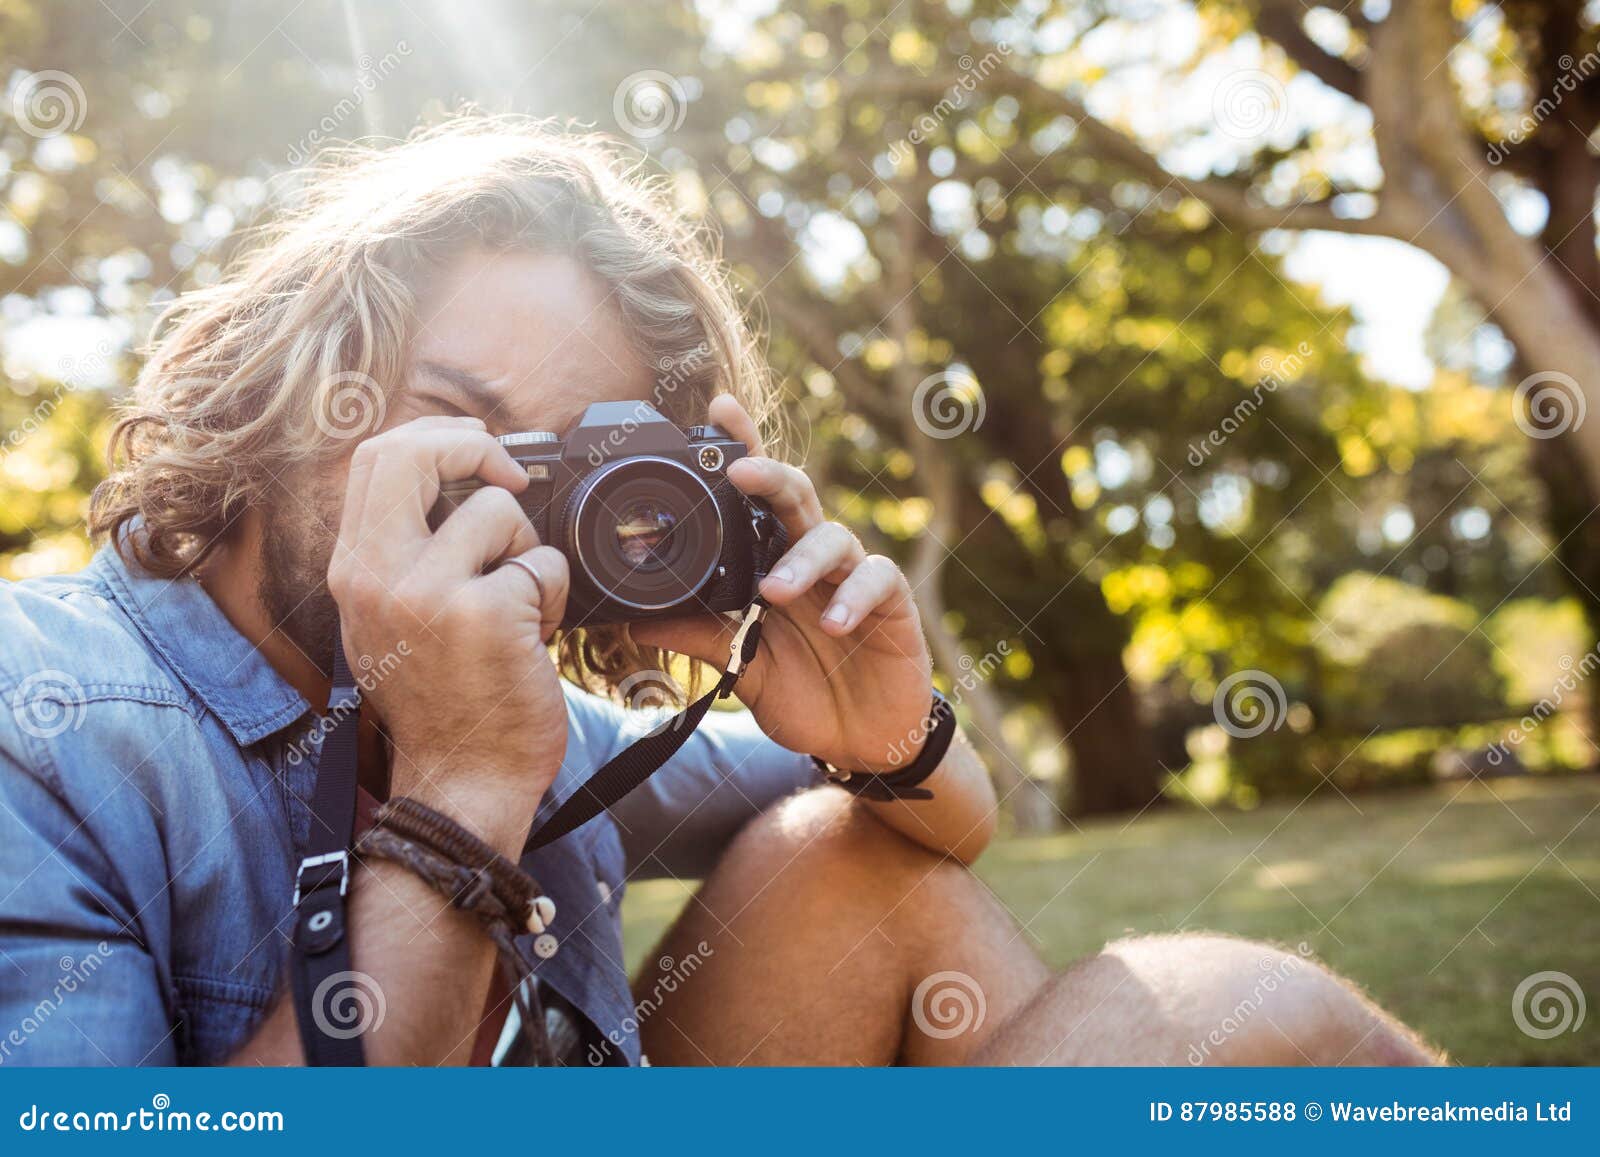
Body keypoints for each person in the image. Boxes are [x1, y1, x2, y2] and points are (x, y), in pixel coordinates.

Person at [0, 117, 1438, 1067]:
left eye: (559, 467)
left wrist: (882, 726)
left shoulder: (538, 722)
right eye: (447, 408)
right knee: (1276, 1023)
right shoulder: (42, 713)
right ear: (284, 384)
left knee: (859, 856)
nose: (492, 495)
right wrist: (456, 794)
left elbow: (940, 822)